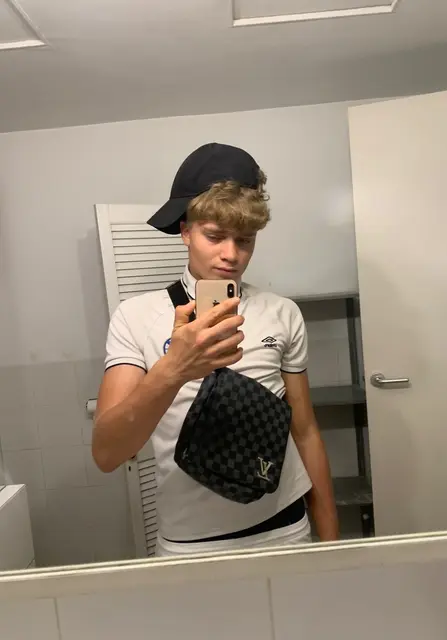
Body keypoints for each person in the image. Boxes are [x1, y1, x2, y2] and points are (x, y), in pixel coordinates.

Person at [93, 142, 339, 557]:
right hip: (189, 544)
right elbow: (107, 453)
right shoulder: (135, 317)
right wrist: (174, 369)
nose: (231, 254)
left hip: (286, 528)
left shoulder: (282, 313)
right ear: (185, 231)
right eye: (214, 236)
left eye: (245, 240)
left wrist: (331, 542)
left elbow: (305, 430)